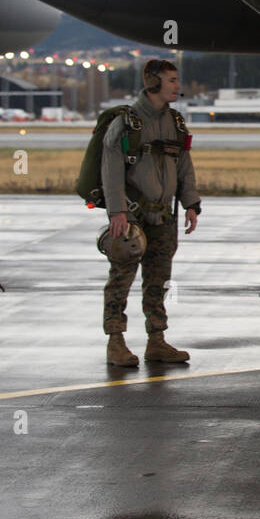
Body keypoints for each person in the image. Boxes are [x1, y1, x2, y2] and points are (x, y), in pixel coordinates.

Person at [101, 58, 200, 366]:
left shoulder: (176, 122)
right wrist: (117, 212)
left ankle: (156, 340)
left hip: (164, 217)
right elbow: (111, 169)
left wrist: (191, 203)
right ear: (153, 83)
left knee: (159, 280)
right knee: (121, 279)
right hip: (131, 218)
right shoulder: (127, 123)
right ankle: (115, 342)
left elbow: (184, 165)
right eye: (171, 80)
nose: (177, 86)